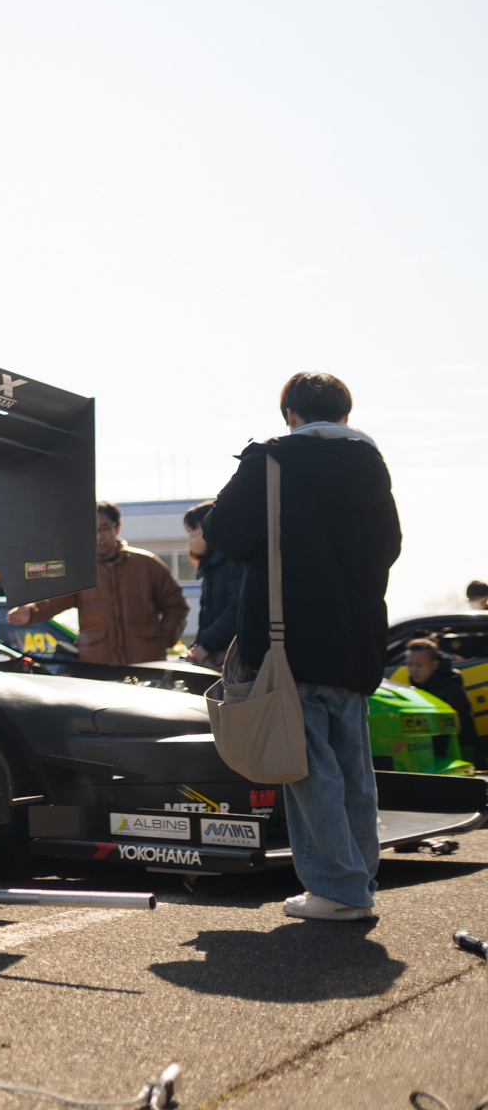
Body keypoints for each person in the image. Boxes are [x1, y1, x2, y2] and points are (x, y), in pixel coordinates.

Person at [203, 371, 400, 922]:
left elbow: (223, 534)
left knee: (309, 770)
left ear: (289, 413)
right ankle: (357, 880)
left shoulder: (270, 462)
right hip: (358, 641)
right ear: (344, 414)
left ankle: (337, 891)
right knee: (354, 773)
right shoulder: (370, 466)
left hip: (289, 641)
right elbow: (391, 547)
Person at [4, 502, 189, 665]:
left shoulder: (147, 563)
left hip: (147, 662)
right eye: (92, 530)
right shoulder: (80, 569)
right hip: (98, 665)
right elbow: (56, 600)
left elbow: (177, 606)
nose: (99, 536)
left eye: (105, 528)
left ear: (117, 527)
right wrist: (31, 611)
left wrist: (163, 640)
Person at [183, 500, 243, 667]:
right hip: (218, 652)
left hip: (230, 656)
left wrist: (207, 645)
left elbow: (237, 610)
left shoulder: (233, 560)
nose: (191, 536)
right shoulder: (212, 566)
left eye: (194, 529)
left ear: (212, 527)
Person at [405, 638, 478, 768]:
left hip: (456, 764)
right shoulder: (415, 691)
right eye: (410, 665)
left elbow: (459, 733)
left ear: (435, 665)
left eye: (419, 665)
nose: (413, 670)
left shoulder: (452, 691)